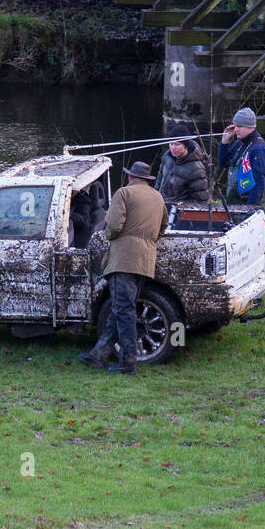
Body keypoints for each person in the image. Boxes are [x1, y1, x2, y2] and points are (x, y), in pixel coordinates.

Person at [78, 161, 168, 375]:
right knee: (120, 308)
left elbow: (113, 227)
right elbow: (163, 226)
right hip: (145, 260)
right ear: (148, 180)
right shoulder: (158, 197)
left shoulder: (123, 193)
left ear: (130, 177)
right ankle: (98, 355)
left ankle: (128, 363)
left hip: (124, 259)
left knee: (125, 311)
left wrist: (113, 235)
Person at [217, 107, 265, 207]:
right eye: (236, 125)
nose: (236, 129)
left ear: (251, 127)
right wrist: (224, 142)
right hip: (234, 204)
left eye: (240, 126)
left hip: (246, 207)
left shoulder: (258, 149)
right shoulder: (239, 143)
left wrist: (249, 209)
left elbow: (259, 183)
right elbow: (222, 163)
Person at [156, 123, 210, 202]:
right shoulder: (167, 157)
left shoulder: (196, 169)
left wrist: (179, 207)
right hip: (161, 205)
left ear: (186, 146)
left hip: (179, 210)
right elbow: (158, 183)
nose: (173, 148)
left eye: (177, 144)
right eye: (171, 144)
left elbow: (200, 200)